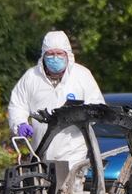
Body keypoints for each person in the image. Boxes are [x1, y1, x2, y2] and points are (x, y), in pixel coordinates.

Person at [6, 30, 104, 167]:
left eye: (59, 53)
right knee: (43, 187)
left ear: (67, 54)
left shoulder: (82, 76)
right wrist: (20, 123)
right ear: (43, 56)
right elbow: (17, 105)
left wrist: (81, 116)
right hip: (40, 151)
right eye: (51, 54)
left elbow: (97, 107)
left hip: (74, 151)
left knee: (68, 185)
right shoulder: (31, 77)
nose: (55, 58)